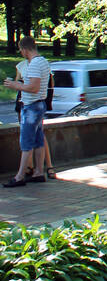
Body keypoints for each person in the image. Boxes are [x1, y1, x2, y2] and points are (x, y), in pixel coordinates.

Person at [3, 36, 51, 187]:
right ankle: (38, 173)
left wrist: (15, 85)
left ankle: (19, 177)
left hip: (32, 107)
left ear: (24, 49)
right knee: (38, 140)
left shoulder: (35, 64)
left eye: (20, 50)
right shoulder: (43, 61)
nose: (21, 53)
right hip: (39, 105)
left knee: (26, 142)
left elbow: (33, 88)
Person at [15, 61, 57, 178]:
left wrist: (47, 101)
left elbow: (49, 83)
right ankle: (36, 168)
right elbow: (18, 82)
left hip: (32, 102)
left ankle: (42, 167)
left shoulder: (36, 64)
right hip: (29, 100)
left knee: (33, 135)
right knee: (32, 134)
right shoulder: (27, 65)